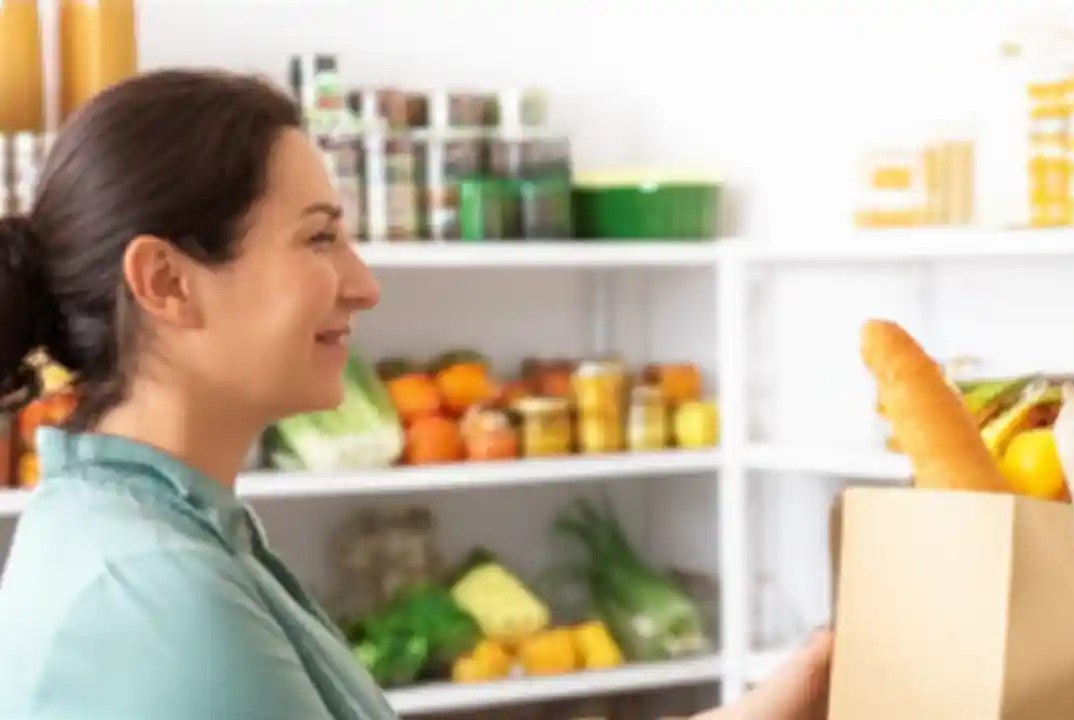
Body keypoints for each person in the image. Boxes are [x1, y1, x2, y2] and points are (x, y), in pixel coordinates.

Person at [0, 69, 831, 719]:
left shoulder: (169, 533)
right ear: (166, 281)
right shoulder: (151, 593)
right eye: (319, 237)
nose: (362, 285)